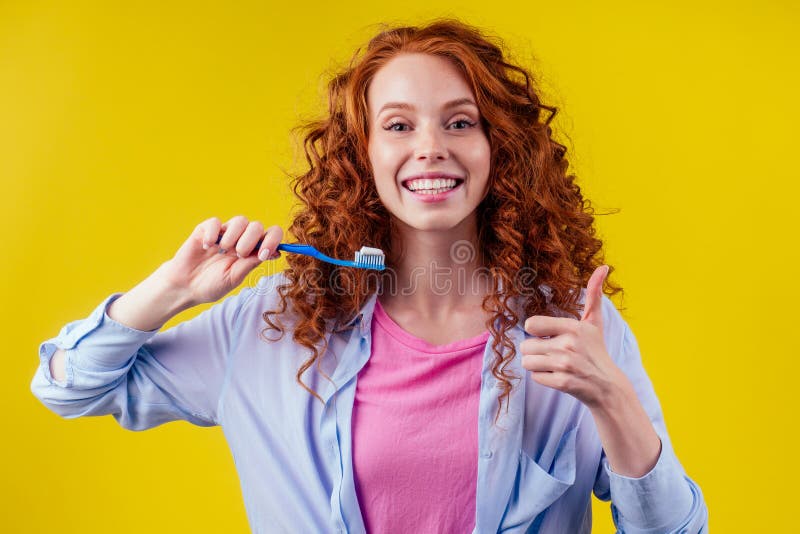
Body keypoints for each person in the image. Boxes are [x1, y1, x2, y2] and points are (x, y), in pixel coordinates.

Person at [31, 19, 708, 533]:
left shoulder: (574, 332)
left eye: (460, 122)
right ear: (363, 154)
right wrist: (172, 291)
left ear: (499, 148)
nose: (430, 147)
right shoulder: (274, 320)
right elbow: (65, 386)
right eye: (398, 125)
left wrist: (612, 400)